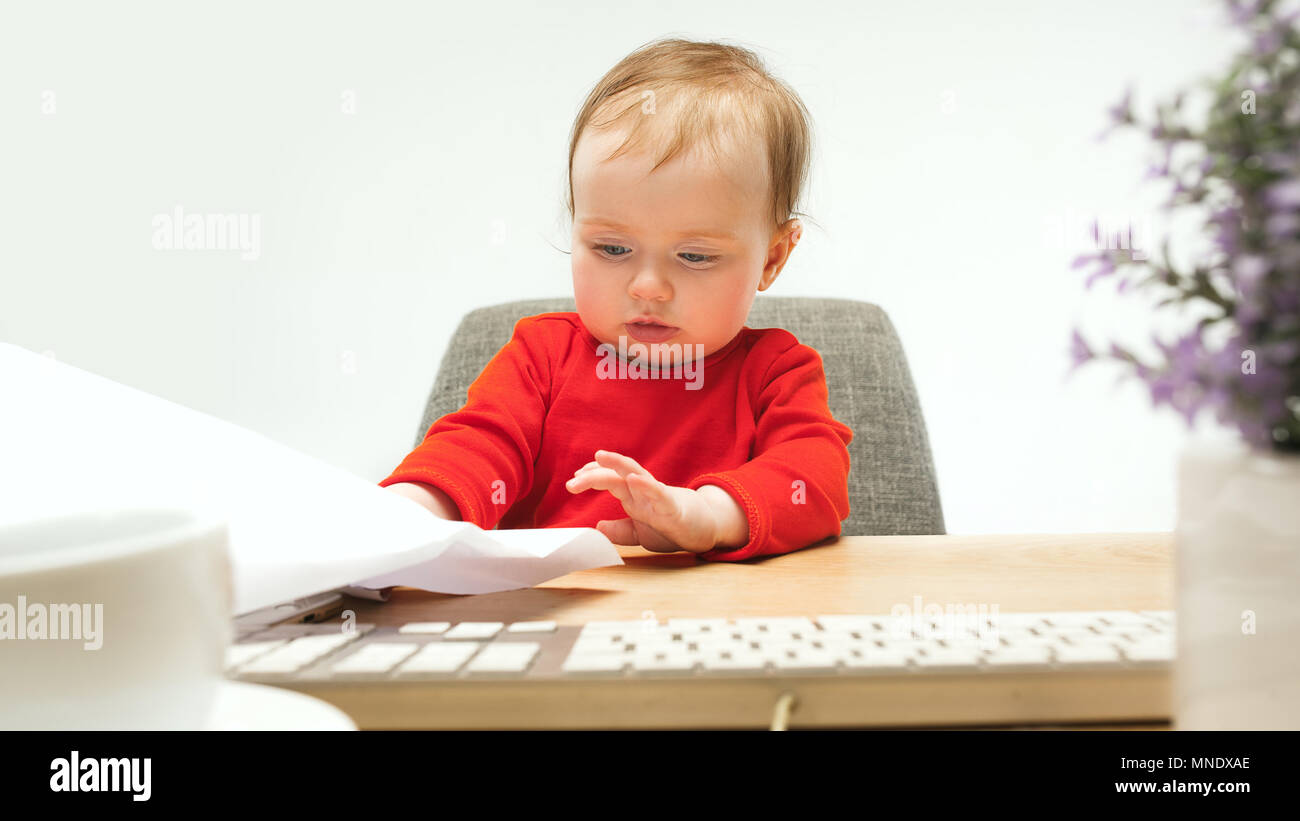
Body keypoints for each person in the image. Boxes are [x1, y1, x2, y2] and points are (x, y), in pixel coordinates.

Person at [381, 37, 852, 561]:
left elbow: (814, 480)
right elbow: (475, 449)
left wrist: (707, 514)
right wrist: (409, 510)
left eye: (694, 256)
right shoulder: (542, 357)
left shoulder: (777, 373)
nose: (647, 287)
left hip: (717, 621)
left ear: (771, 259)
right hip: (559, 613)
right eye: (611, 248)